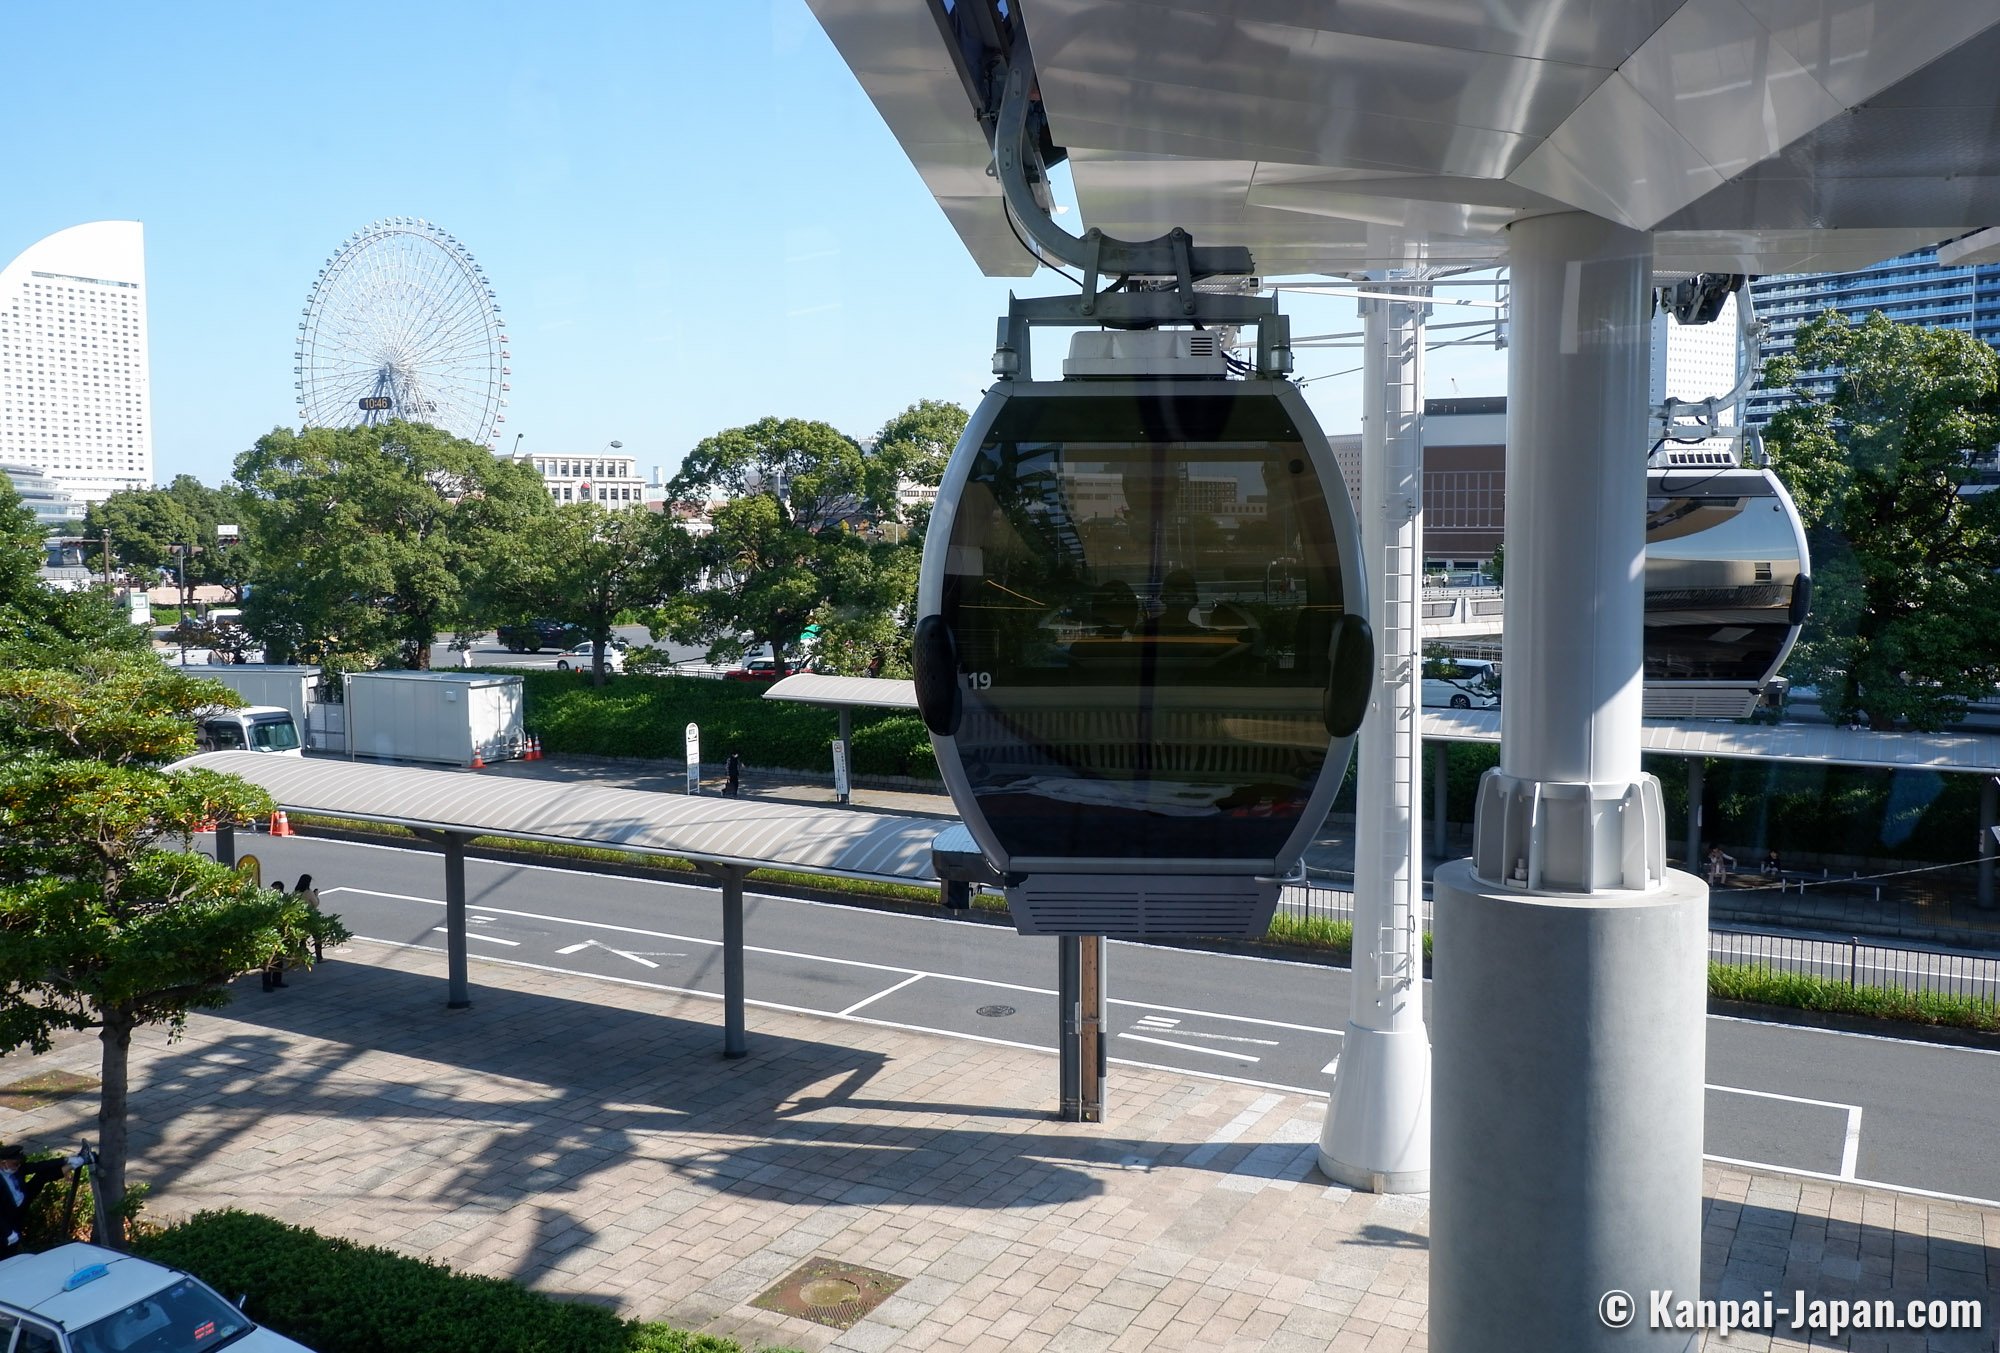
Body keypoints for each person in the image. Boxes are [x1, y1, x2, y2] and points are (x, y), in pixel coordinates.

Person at [0, 1144, 77, 1258]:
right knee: (8, 1245)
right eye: (15, 1164)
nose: (18, 1166)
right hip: (7, 1214)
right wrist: (8, 1232)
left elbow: (39, 1166)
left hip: (22, 1202)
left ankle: (76, 1162)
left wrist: (66, 1160)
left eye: (20, 1163)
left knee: (42, 1176)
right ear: (3, 1162)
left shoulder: (17, 1169)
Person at [295, 873, 323, 961]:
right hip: (311, 917)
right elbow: (315, 904)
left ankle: (302, 956)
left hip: (301, 917)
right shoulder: (308, 892)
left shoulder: (296, 892)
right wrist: (316, 895)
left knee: (302, 938)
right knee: (317, 937)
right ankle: (319, 957)